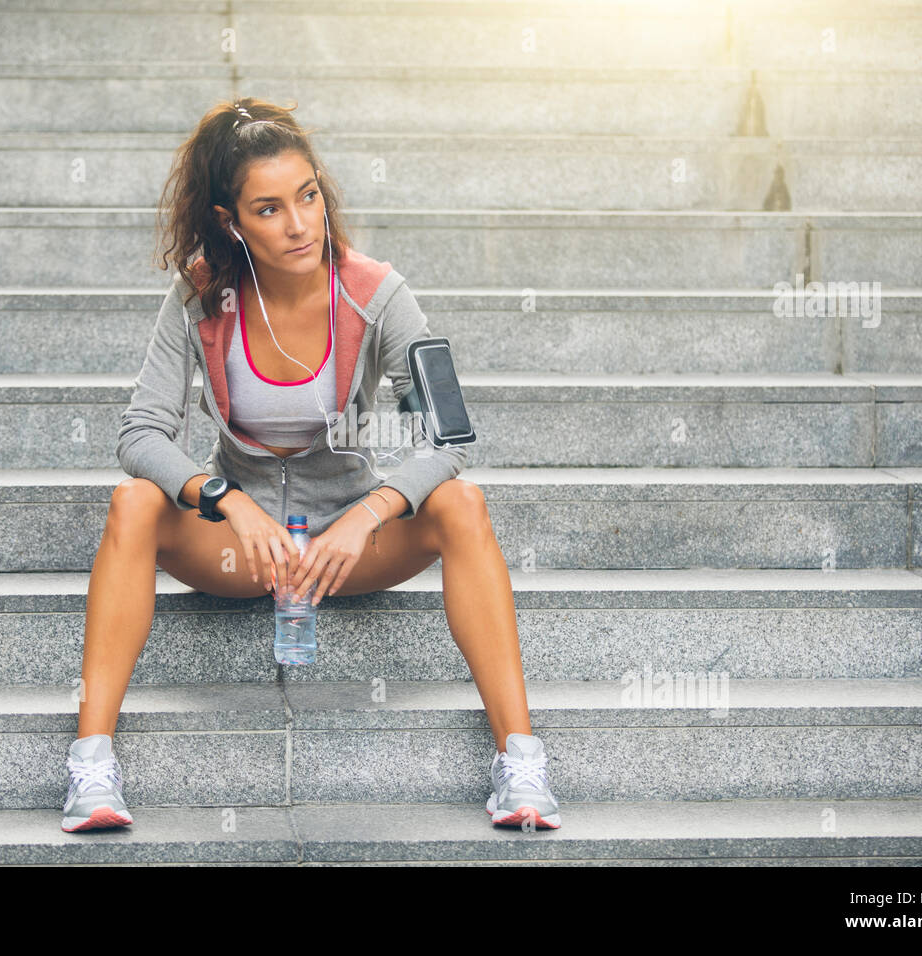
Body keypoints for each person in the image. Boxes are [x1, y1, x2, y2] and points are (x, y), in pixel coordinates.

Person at [61, 97, 561, 834]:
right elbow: (141, 434)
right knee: (133, 502)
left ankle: (521, 763)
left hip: (345, 548)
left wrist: (371, 511)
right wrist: (225, 497)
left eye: (308, 196)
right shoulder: (202, 295)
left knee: (464, 505)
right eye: (268, 209)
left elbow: (448, 437)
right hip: (241, 550)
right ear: (231, 220)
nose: (299, 224)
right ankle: (91, 765)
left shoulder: (376, 293)